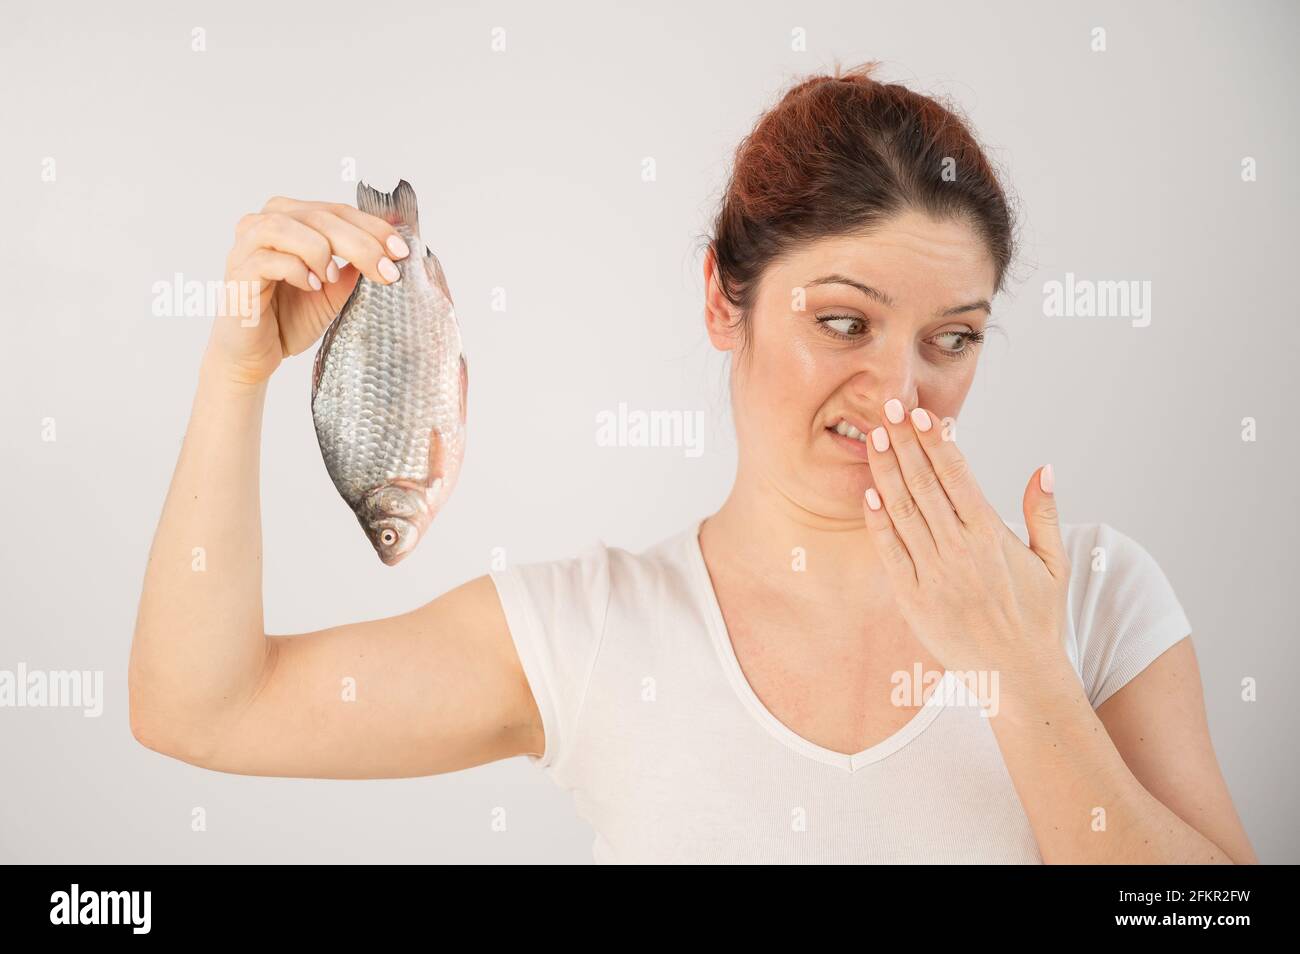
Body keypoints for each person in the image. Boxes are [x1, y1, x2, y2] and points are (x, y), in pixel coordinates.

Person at [129, 62, 1257, 864]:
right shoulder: (593, 629)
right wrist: (235, 377)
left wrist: (1019, 668)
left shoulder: (1095, 601)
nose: (899, 393)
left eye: (952, 337)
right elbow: (203, 710)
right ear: (724, 300)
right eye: (844, 323)